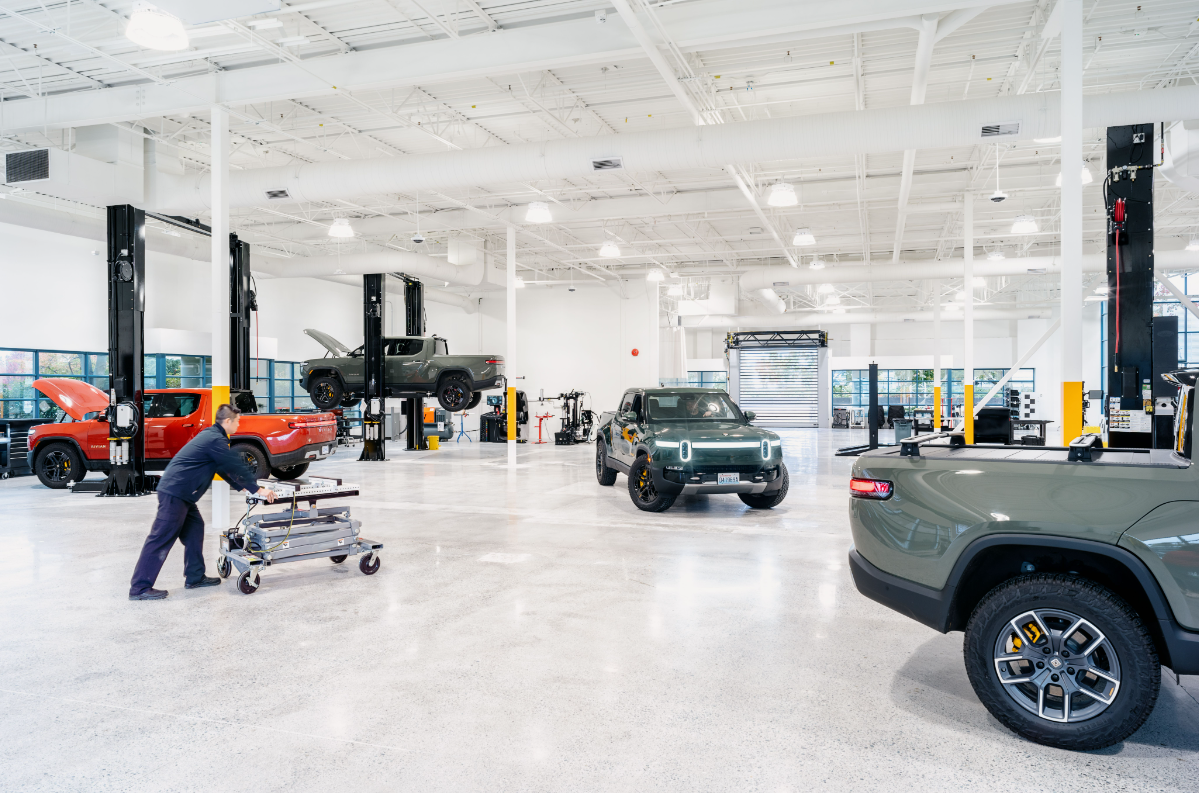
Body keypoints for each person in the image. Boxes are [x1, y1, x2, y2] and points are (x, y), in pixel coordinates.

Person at [129, 403, 277, 601]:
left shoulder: (213, 437)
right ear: (227, 421)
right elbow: (234, 464)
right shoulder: (215, 439)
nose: (238, 425)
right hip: (176, 494)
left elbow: (222, 467)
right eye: (237, 421)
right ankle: (139, 588)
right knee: (160, 538)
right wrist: (257, 489)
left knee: (195, 529)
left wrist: (240, 486)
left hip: (184, 495)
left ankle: (195, 577)